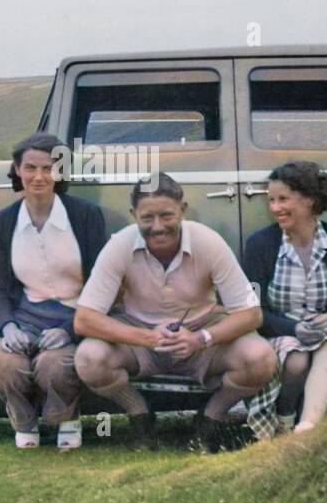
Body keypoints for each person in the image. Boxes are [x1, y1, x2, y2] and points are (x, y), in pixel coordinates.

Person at [73, 172, 276, 453]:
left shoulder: (209, 242)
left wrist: (201, 338)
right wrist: (146, 338)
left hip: (202, 338)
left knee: (261, 358)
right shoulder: (120, 244)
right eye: (147, 218)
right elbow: (84, 319)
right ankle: (140, 415)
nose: (157, 227)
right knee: (88, 358)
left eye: (167, 216)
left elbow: (252, 314)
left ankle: (210, 418)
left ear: (183, 209)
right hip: (139, 341)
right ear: (133, 214)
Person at [0, 133, 107, 450]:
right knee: (2, 364)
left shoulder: (85, 216)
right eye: (30, 167)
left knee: (54, 365)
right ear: (17, 169)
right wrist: (8, 326)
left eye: (48, 168)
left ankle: (65, 418)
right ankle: (24, 424)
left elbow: (101, 284)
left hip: (75, 314)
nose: (39, 177)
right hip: (26, 315)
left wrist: (71, 329)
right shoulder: (3, 222)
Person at [241, 161, 327, 440]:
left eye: (283, 199)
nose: (275, 208)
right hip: (278, 331)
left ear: (309, 200)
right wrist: (293, 329)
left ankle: (307, 426)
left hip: (325, 335)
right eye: (271, 200)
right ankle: (284, 419)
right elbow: (254, 312)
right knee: (297, 359)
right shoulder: (260, 245)